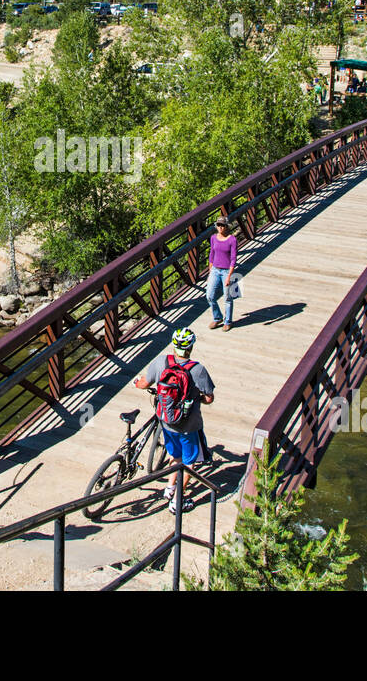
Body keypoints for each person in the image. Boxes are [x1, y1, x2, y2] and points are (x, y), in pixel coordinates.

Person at [133, 328, 215, 514]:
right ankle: (178, 499)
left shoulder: (161, 361)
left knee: (174, 455)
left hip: (166, 421)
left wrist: (136, 383)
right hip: (189, 424)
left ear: (174, 345)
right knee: (189, 461)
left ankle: (170, 487)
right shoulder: (198, 369)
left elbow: (144, 383)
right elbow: (209, 398)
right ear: (191, 347)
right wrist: (198, 399)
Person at [207, 216, 238, 330]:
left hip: (226, 271)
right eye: (218, 225)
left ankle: (228, 321)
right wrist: (210, 272)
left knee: (227, 298)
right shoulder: (213, 238)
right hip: (215, 270)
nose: (220, 227)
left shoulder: (232, 240)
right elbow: (212, 254)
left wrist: (229, 276)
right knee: (209, 296)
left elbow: (233, 259)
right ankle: (217, 317)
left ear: (226, 226)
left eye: (222, 225)